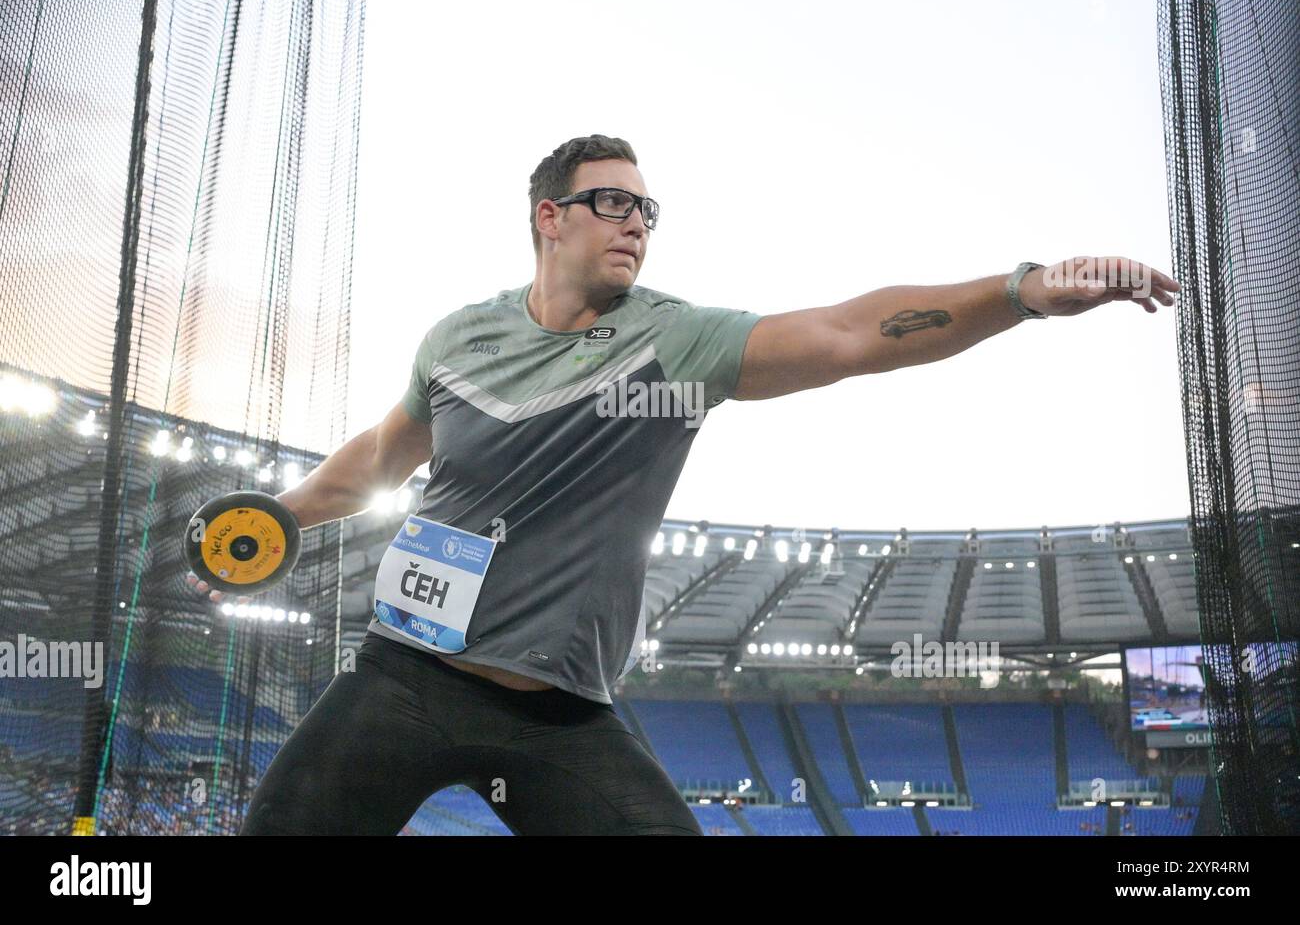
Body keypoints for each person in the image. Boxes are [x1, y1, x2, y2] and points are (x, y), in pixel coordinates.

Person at [187, 134, 1180, 835]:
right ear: (548, 216)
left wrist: (1020, 293)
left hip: (559, 714)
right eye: (612, 202)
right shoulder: (459, 336)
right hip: (400, 680)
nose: (636, 224)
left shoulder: (676, 339)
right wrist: (274, 518)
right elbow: (380, 458)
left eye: (647, 211)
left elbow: (847, 332)